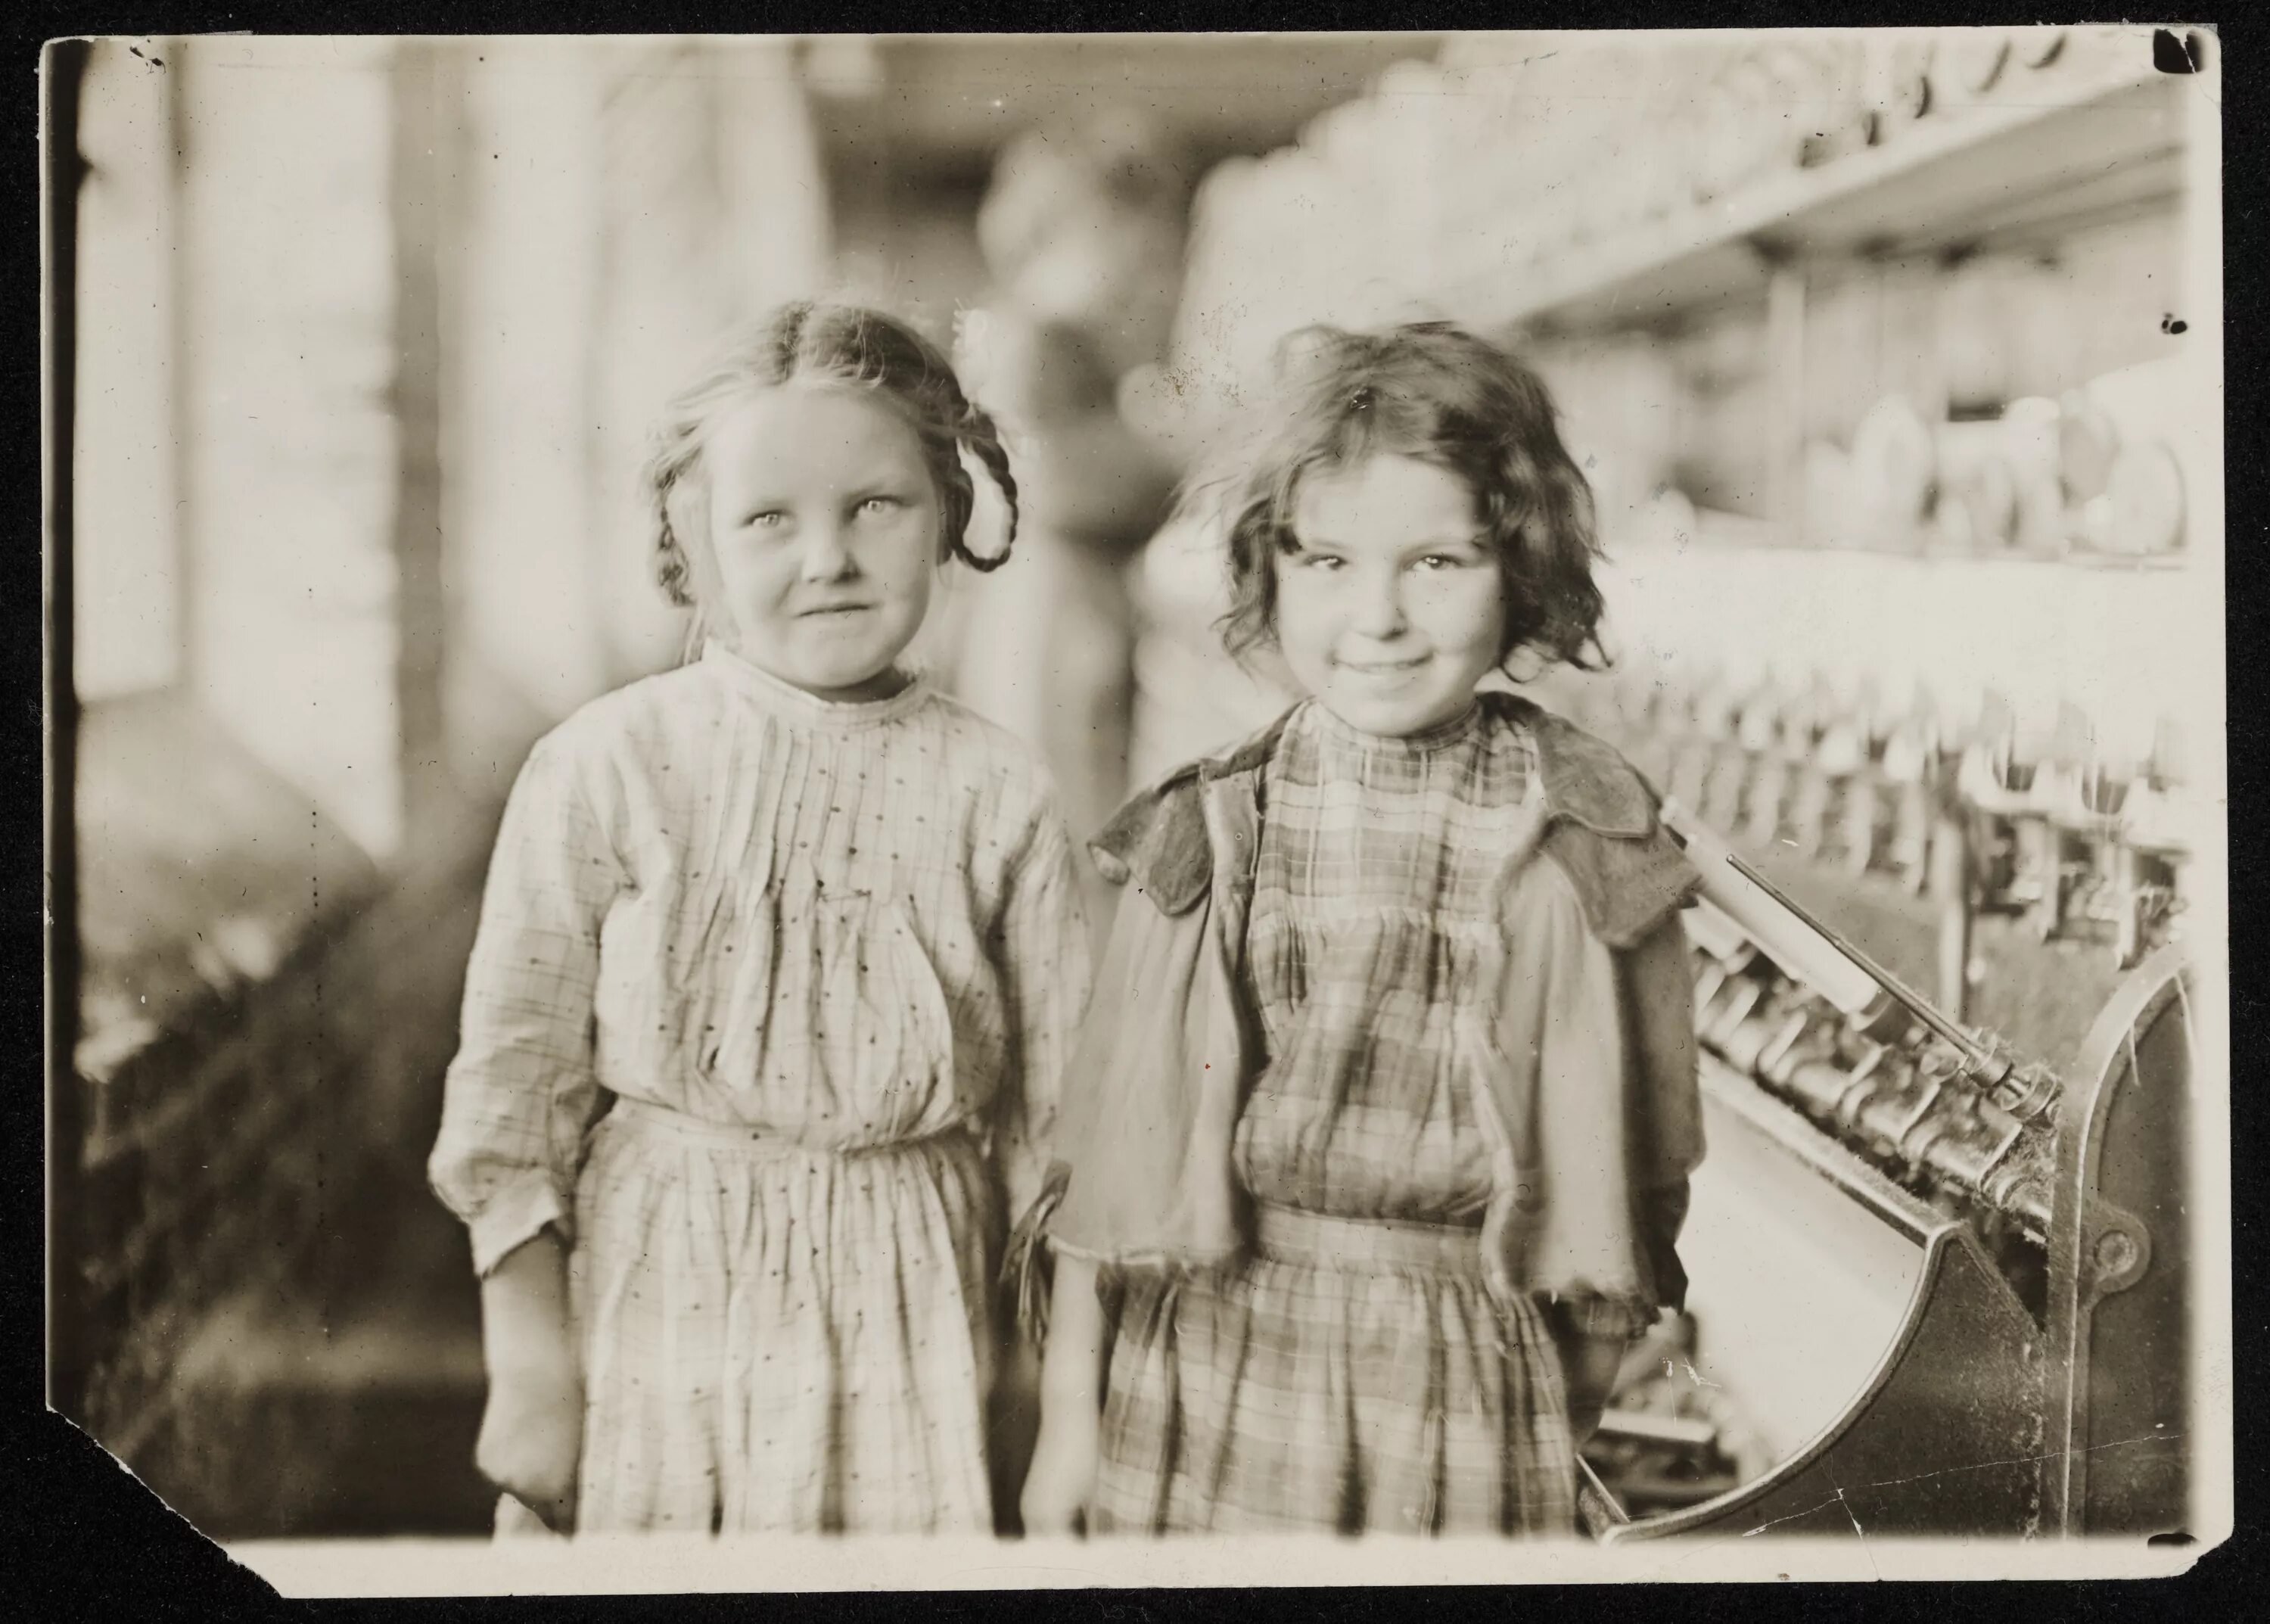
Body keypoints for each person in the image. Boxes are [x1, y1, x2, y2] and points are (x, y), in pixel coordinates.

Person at [1015, 321, 1706, 1537]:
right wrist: (1074, 1420)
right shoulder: (1214, 823)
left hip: (1468, 1366)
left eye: (1437, 563)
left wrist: (1576, 1392)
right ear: (1268, 569)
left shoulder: (1589, 837)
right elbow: (1113, 1163)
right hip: (1220, 1341)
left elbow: (1639, 1164)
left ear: (1523, 565)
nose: (1377, 616)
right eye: (1327, 561)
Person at [428, 300, 1093, 1536]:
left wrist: (1064, 1420)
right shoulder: (610, 764)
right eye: (768, 520)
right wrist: (532, 1376)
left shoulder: (1001, 790)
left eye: (875, 506)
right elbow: (513, 1098)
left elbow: (1061, 1144)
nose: (827, 558)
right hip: (664, 1284)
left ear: (947, 511)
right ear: (694, 546)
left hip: (916, 1300)